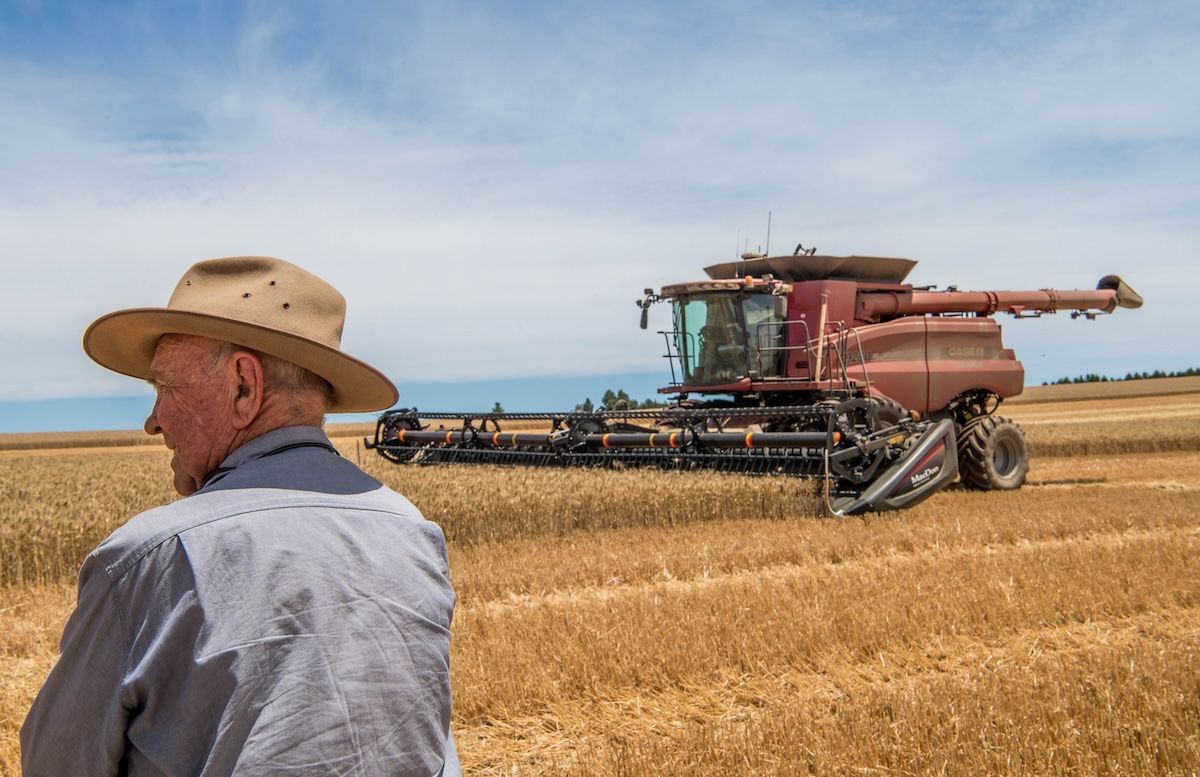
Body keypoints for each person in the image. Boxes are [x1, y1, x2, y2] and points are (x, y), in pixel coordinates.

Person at [20, 256, 459, 776]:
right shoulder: (413, 531)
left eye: (164, 388)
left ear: (243, 387)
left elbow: (57, 763)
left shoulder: (149, 558)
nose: (152, 422)